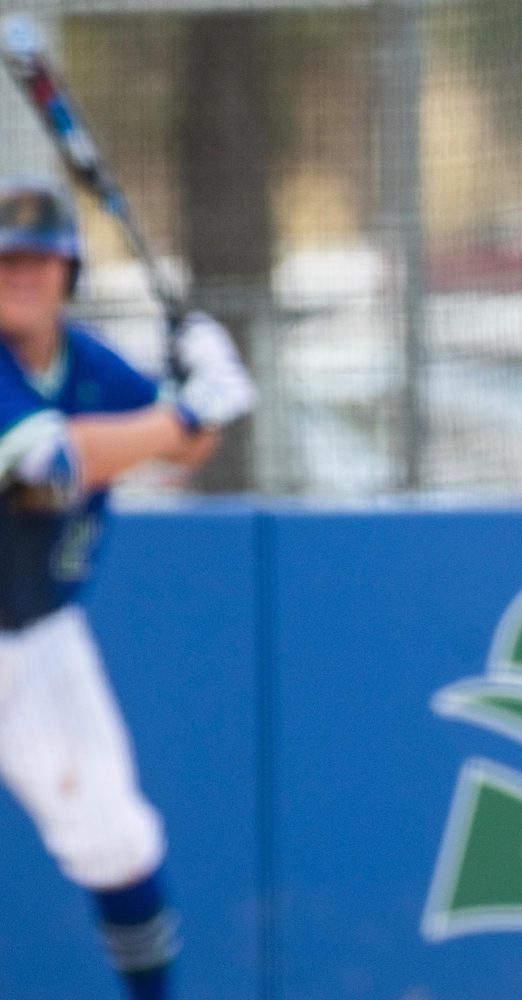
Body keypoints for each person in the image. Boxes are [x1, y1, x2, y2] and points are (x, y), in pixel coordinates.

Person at [0, 178, 255, 999]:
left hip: (37, 635)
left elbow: (183, 449)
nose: (21, 274)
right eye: (5, 260)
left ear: (69, 272)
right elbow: (49, 464)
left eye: (40, 260)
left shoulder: (85, 360)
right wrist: (191, 410)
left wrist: (209, 376)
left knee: (116, 840)